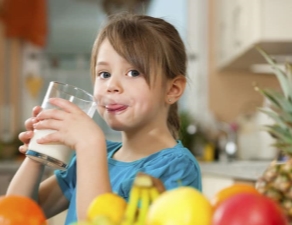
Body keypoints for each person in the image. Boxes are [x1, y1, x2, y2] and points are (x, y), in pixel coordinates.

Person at [6, 13, 202, 224]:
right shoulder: (96, 156)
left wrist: (90, 145)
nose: (111, 86)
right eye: (104, 74)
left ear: (172, 89)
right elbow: (16, 214)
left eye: (134, 72)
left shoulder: (178, 168)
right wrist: (37, 156)